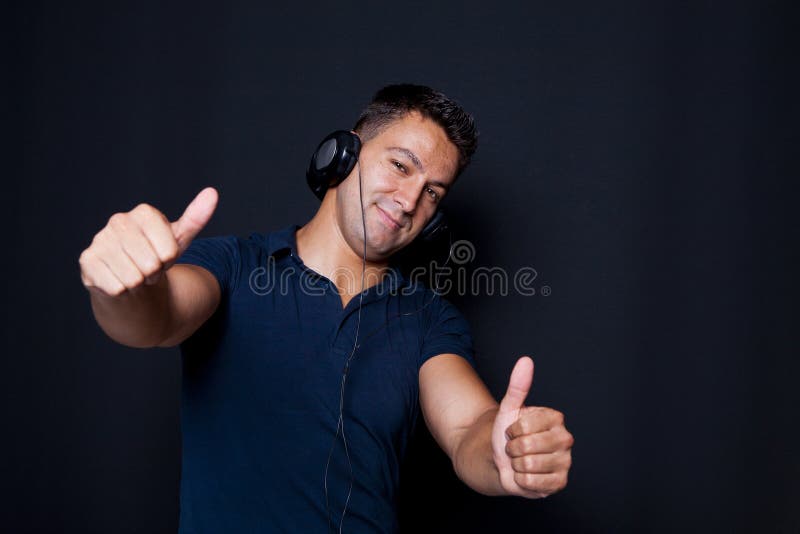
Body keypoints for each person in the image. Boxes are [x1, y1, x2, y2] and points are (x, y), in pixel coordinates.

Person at [79, 84, 574, 533]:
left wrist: (504, 453)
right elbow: (153, 319)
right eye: (400, 166)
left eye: (431, 193)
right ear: (343, 154)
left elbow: (468, 426)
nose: (408, 201)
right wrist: (120, 288)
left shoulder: (428, 319)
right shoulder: (232, 265)